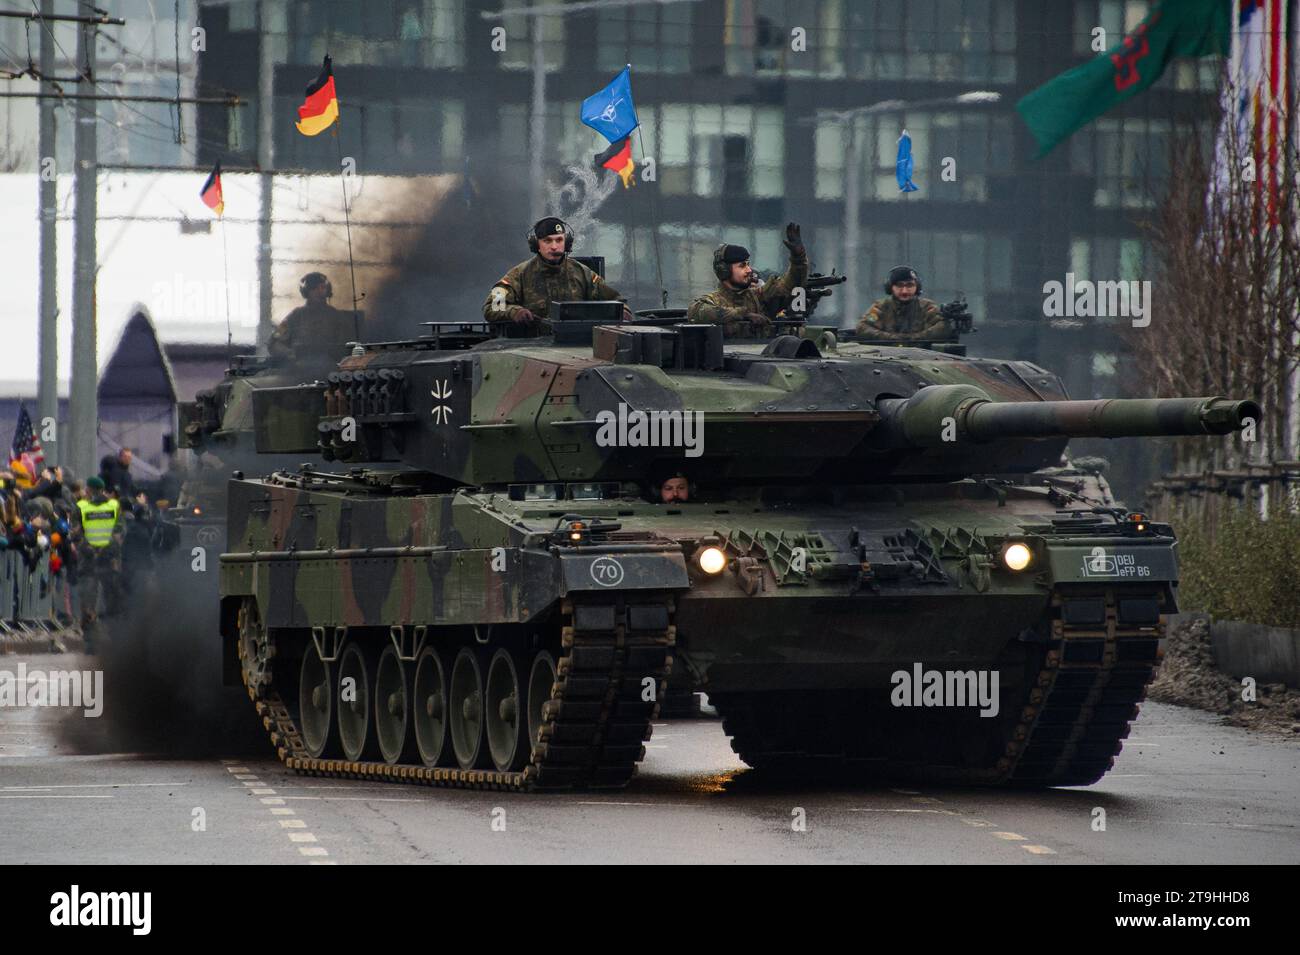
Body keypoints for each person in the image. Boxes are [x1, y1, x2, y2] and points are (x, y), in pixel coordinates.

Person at [482, 217, 629, 333]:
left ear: (567, 243)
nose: (554, 246)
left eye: (559, 240)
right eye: (547, 241)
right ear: (536, 245)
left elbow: (615, 300)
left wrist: (623, 311)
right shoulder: (518, 275)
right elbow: (491, 306)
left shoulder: (583, 273)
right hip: (533, 348)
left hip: (576, 346)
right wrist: (515, 312)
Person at [687, 223, 809, 337]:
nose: (749, 270)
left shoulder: (759, 297)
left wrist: (798, 258)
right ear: (724, 270)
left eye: (748, 264)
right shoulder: (712, 301)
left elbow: (789, 286)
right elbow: (697, 312)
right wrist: (743, 314)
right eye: (742, 266)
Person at [73, 476, 125, 652]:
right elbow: (118, 535)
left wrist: (92, 549)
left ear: (89, 490)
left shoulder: (84, 507)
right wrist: (103, 550)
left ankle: (96, 641)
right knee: (105, 601)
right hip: (103, 561)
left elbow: (75, 535)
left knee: (94, 601)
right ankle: (105, 640)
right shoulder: (111, 506)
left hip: (94, 561)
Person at [267, 272, 360, 364]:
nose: (319, 291)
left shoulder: (337, 316)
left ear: (328, 291)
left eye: (323, 287)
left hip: (330, 368)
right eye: (314, 288)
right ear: (306, 291)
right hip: (299, 369)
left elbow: (350, 347)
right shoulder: (295, 316)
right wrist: (291, 354)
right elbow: (274, 342)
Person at [856, 266, 950, 341]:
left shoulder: (927, 307)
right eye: (899, 285)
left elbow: (942, 327)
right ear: (890, 287)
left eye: (910, 285)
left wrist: (915, 338)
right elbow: (863, 328)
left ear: (917, 287)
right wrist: (891, 338)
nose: (904, 291)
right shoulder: (880, 307)